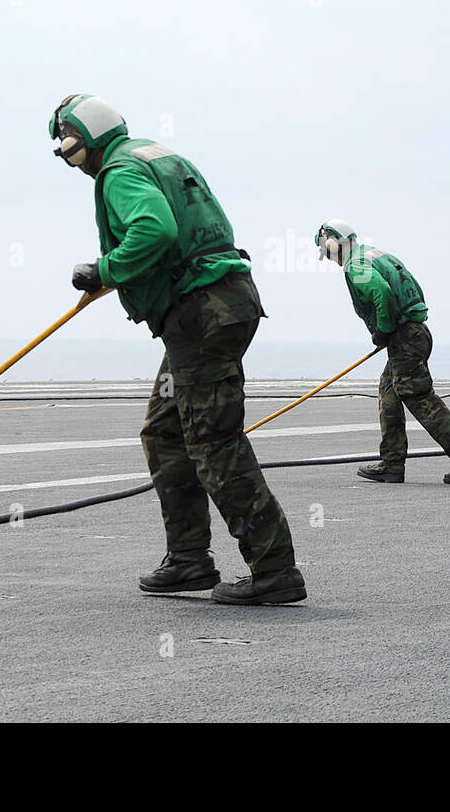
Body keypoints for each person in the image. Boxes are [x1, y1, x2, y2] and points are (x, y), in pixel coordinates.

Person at [51, 93, 304, 604]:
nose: (67, 158)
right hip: (218, 308)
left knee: (213, 442)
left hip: (201, 317)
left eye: (66, 146)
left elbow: (155, 229)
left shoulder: (118, 170)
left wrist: (103, 269)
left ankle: (275, 570)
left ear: (84, 140)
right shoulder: (156, 153)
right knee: (166, 432)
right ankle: (189, 560)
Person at [314, 219, 450, 485]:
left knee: (418, 398)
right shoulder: (375, 253)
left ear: (334, 242)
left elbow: (382, 291)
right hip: (412, 334)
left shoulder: (356, 264)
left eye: (328, 252)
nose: (330, 259)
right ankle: (392, 464)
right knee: (388, 394)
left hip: (405, 337)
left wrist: (383, 329)